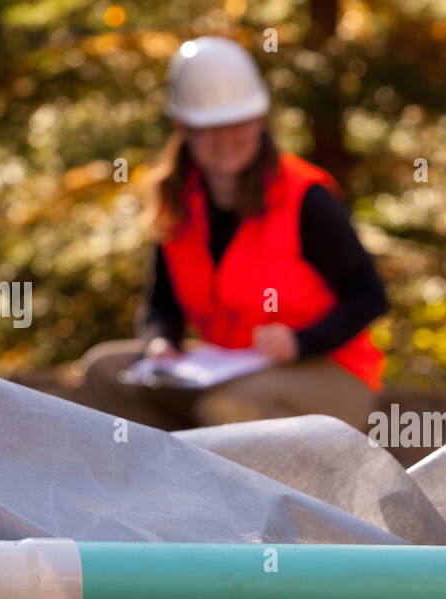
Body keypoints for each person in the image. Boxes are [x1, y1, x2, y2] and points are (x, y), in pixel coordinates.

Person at [79, 36, 388, 432]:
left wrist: (301, 341)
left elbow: (370, 295)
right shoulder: (177, 202)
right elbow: (161, 303)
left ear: (259, 119)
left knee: (224, 408)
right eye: (208, 128)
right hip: (224, 366)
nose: (224, 140)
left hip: (330, 371)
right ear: (183, 128)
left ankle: (229, 477)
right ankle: (176, 471)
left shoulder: (304, 197)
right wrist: (160, 342)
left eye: (236, 123)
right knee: (104, 371)